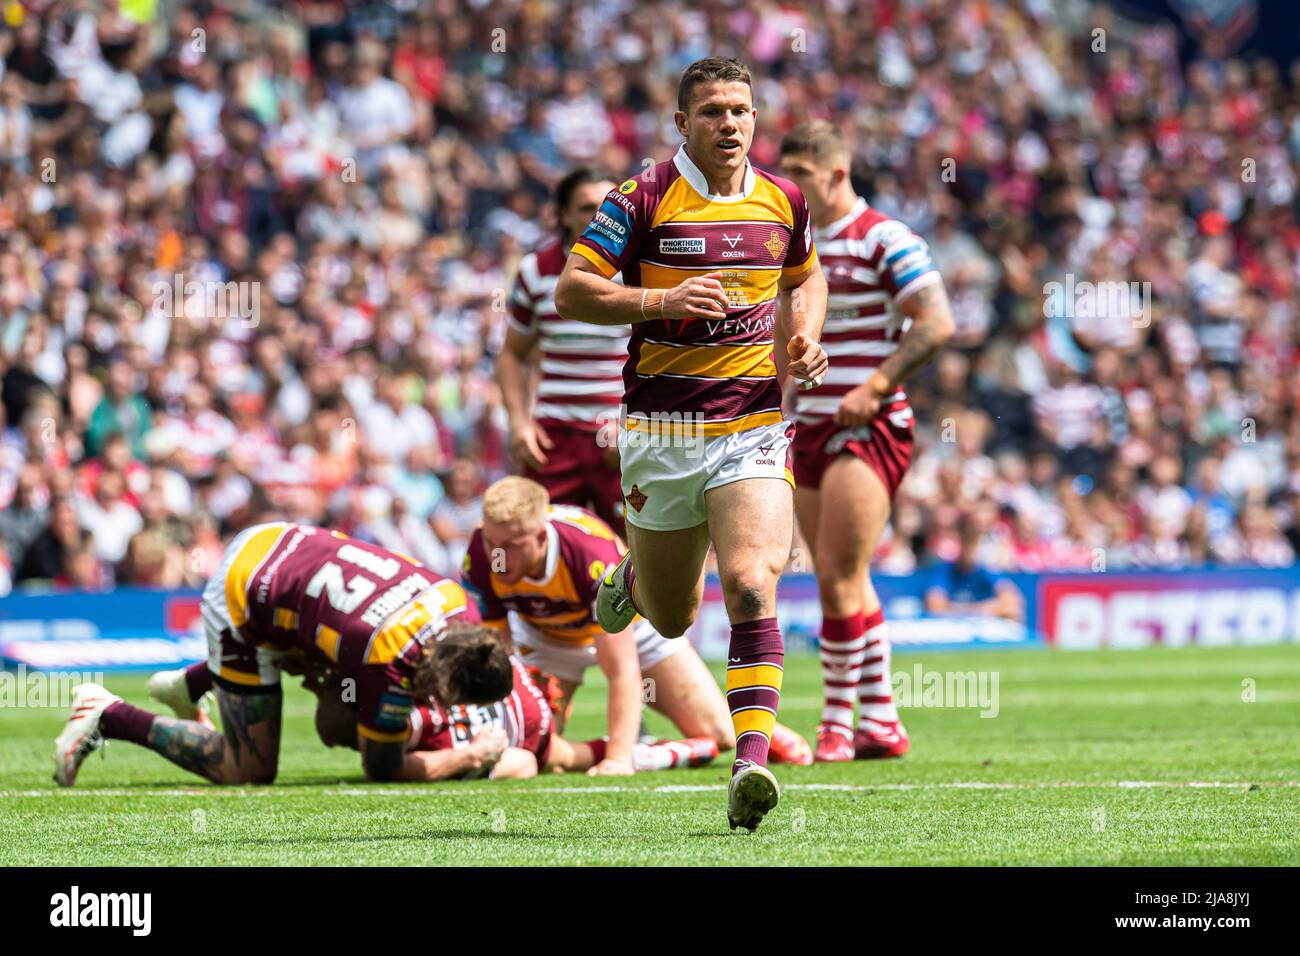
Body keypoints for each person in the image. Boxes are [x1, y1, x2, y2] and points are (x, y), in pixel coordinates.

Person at [554, 57, 827, 830]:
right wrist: (661, 298)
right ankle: (633, 577)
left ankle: (750, 765)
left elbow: (805, 276)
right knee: (670, 619)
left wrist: (804, 334)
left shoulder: (785, 199)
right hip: (663, 432)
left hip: (751, 425)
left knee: (748, 584)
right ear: (682, 124)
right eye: (711, 111)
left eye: (740, 109)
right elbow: (573, 290)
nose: (730, 123)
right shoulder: (639, 198)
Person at [54, 522, 512, 787]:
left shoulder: (459, 603)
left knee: (320, 666)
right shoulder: (388, 663)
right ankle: (107, 713)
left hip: (284, 539)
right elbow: (382, 768)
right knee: (248, 771)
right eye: (456, 699)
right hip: (245, 591)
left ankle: (190, 684)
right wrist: (469, 756)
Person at [778, 121, 956, 761]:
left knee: (836, 574)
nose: (785, 184)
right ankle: (882, 723)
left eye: (798, 173)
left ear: (834, 174)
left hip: (867, 423)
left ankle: (836, 723)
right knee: (846, 575)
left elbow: (936, 322)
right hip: (811, 425)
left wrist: (876, 386)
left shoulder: (884, 236)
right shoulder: (789, 246)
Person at [460, 477, 812, 776]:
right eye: (491, 541)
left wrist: (617, 759)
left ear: (540, 537)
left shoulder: (587, 553)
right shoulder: (483, 552)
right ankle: (660, 750)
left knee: (718, 732)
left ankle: (766, 733)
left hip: (629, 625)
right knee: (535, 743)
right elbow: (499, 646)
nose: (496, 555)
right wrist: (521, 686)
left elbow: (623, 670)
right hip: (547, 639)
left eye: (509, 546)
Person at [497, 168, 630, 535]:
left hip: (620, 436)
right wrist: (519, 423)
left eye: (608, 207)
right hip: (552, 437)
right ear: (564, 215)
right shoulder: (535, 271)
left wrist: (635, 425)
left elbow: (662, 356)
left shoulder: (639, 270)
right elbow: (511, 354)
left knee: (635, 558)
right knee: (544, 543)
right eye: (587, 207)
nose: (599, 216)